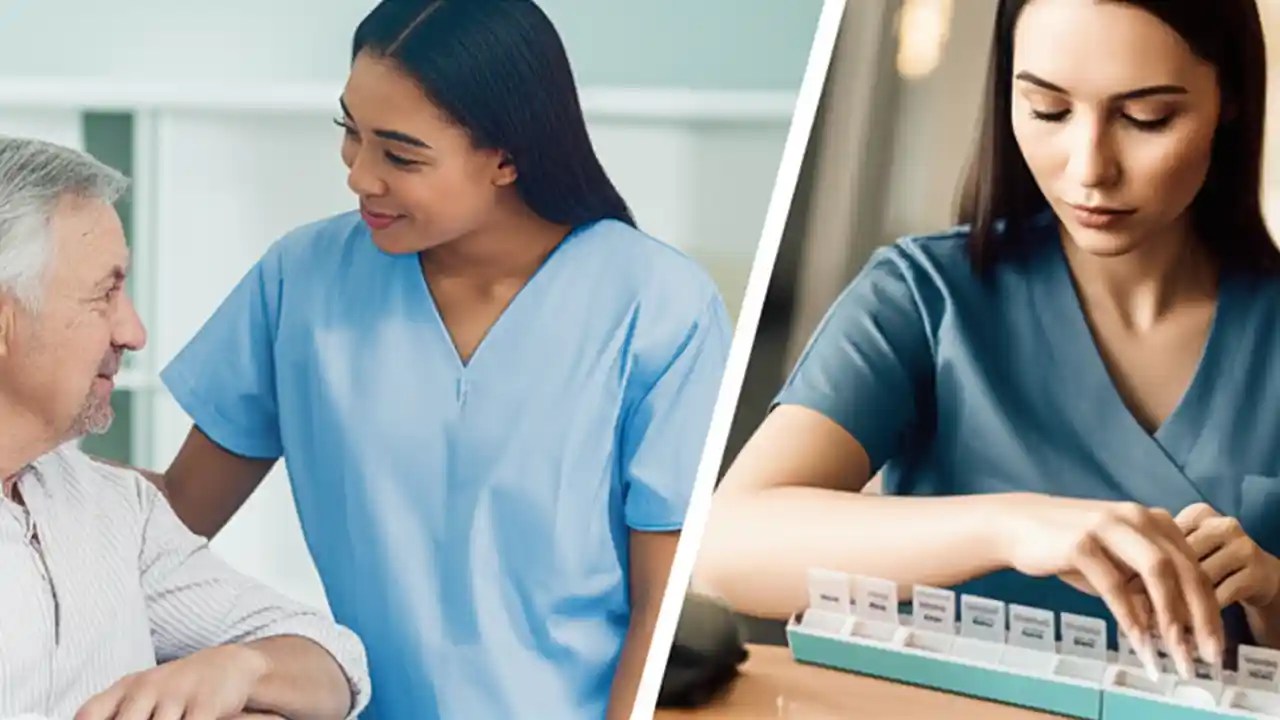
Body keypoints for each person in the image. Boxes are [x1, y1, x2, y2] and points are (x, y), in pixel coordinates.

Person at [140, 1, 732, 718]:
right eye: (349, 134)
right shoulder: (301, 280)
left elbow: (658, 611)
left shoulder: (658, 306)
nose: (360, 175)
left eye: (400, 154)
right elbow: (174, 520)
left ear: (507, 158)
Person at [697, 0, 1280, 682]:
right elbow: (726, 547)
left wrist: (1273, 591)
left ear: (1230, 100)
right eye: (1048, 110)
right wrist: (1015, 527)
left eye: (1144, 117)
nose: (1089, 167)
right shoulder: (923, 295)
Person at [0, 136, 370, 720]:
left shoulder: (116, 511)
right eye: (105, 294)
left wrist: (239, 670)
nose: (133, 333)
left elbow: (334, 665)